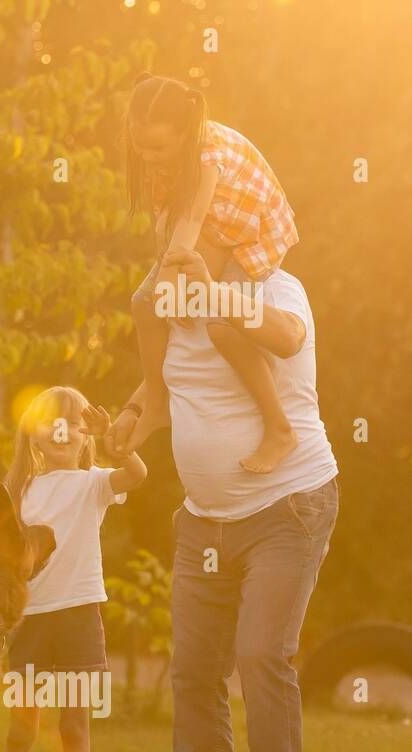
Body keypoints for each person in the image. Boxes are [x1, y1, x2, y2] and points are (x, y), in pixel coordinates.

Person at [108, 248, 338, 752]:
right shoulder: (174, 306)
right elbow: (167, 375)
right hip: (203, 521)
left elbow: (287, 337)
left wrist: (213, 293)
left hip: (288, 508)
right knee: (193, 669)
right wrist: (135, 413)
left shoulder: (278, 289)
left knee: (261, 654)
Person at [125, 73, 300, 474]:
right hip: (211, 232)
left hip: (250, 234)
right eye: (140, 144)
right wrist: (168, 270)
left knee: (224, 326)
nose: (147, 154)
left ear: (185, 131)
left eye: (157, 146)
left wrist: (174, 272)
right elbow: (168, 215)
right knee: (143, 305)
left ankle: (279, 427)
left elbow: (193, 214)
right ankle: (155, 404)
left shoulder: (209, 152)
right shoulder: (159, 154)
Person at [0, 387, 146, 752]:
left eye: (72, 423)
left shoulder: (95, 482)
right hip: (30, 622)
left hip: (79, 618)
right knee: (21, 731)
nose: (61, 430)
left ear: (85, 436)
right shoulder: (17, 492)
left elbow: (137, 475)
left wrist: (115, 443)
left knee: (74, 729)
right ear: (34, 438)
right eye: (50, 422)